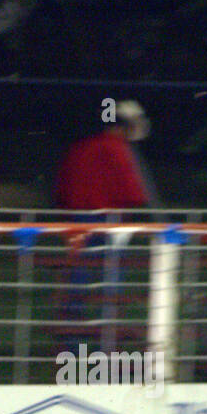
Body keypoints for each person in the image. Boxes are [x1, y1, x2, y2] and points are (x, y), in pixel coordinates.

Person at [53, 100, 159, 327]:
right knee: (111, 277)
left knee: (78, 275)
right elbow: (134, 193)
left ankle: (71, 333)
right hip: (109, 221)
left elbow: (62, 187)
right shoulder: (119, 149)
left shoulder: (81, 147)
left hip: (78, 221)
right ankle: (107, 334)